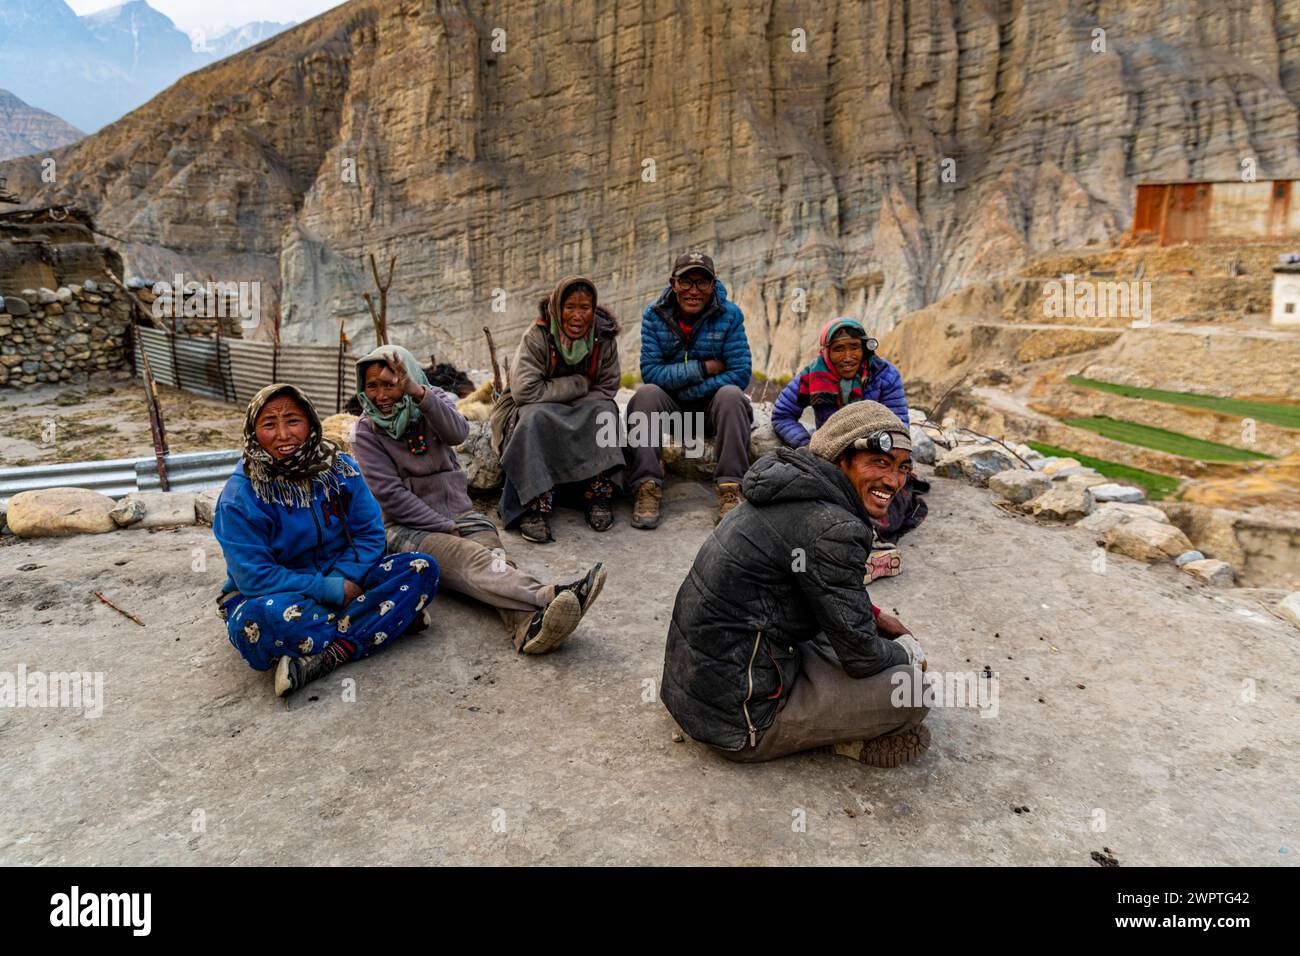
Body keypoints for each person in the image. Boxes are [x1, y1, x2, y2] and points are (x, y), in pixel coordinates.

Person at [659, 401, 931, 766]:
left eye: (901, 468)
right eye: (879, 463)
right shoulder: (834, 526)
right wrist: (908, 653)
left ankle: (834, 720)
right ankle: (835, 741)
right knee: (913, 691)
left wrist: (875, 615)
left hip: (694, 690)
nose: (894, 482)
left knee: (854, 634)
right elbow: (863, 656)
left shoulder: (788, 483)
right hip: (741, 720)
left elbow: (814, 582)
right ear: (840, 459)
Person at [353, 344, 606, 655]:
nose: (380, 396)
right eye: (372, 386)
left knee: (496, 563)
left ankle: (527, 628)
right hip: (406, 528)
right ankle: (549, 595)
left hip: (461, 514)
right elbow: (391, 497)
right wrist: (443, 526)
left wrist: (420, 395)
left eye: (389, 384)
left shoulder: (433, 400)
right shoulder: (365, 432)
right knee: (471, 559)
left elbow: (458, 433)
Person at [213, 383, 438, 698]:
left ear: (310, 423)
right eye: (268, 424)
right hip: (280, 594)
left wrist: (344, 578)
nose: (283, 434)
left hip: (350, 578)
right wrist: (329, 590)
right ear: (253, 432)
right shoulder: (240, 496)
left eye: (293, 420)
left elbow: (370, 533)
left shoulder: (341, 470)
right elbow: (253, 576)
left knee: (421, 568)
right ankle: (384, 621)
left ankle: (325, 656)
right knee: (255, 622)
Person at [771, 317, 928, 576]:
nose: (848, 356)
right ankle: (848, 553)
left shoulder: (884, 375)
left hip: (879, 459)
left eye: (854, 347)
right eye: (838, 349)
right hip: (835, 457)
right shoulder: (812, 375)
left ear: (865, 348)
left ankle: (865, 548)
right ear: (826, 352)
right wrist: (807, 442)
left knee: (883, 498)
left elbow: (899, 430)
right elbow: (782, 414)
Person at [489, 276, 625, 542]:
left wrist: (572, 406)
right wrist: (578, 384)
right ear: (557, 308)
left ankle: (596, 495)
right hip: (530, 406)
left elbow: (608, 386)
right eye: (570, 307)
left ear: (593, 309)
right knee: (534, 417)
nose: (577, 316)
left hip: (580, 405)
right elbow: (525, 392)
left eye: (584, 308)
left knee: (604, 412)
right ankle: (533, 505)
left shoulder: (603, 337)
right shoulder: (537, 335)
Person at [626, 251, 754, 528]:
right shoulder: (654, 315)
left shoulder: (729, 315)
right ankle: (646, 486)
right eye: (686, 282)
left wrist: (685, 387)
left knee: (732, 396)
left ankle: (730, 488)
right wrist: (704, 369)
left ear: (712, 285)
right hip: (673, 411)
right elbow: (651, 372)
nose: (693, 291)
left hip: (712, 412)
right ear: (673, 284)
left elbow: (740, 373)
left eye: (702, 283)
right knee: (645, 395)